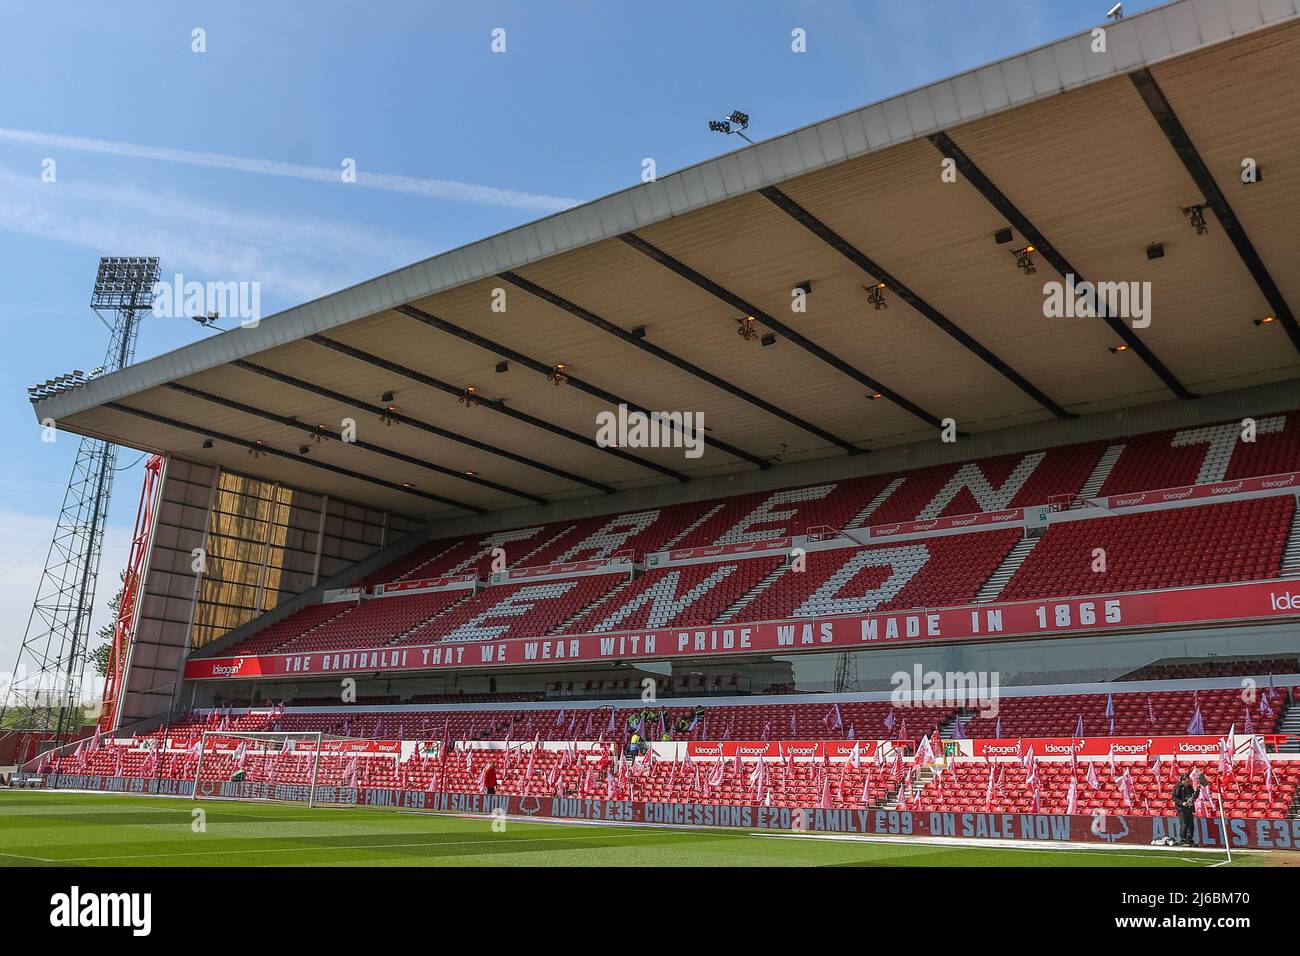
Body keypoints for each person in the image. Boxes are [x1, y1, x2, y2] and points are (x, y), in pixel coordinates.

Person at [1172, 772, 1197, 847]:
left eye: (1188, 781)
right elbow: (1174, 797)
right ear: (1182, 780)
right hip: (1182, 809)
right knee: (1184, 824)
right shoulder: (1178, 786)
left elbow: (1194, 797)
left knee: (1191, 825)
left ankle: (1190, 838)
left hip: (1189, 808)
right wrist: (1182, 803)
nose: (1188, 782)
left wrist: (1197, 791)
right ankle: (1183, 839)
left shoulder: (1189, 787)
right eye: (1186, 781)